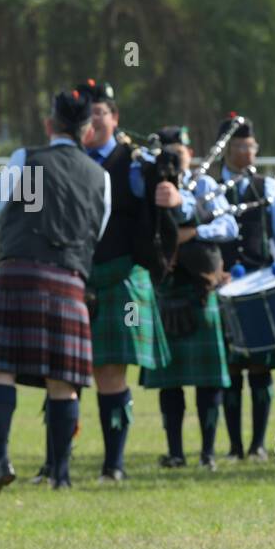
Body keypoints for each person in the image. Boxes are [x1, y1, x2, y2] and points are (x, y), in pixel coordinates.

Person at [0, 89, 113, 492]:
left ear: (49, 125)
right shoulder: (100, 176)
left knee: (2, 370)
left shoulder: (28, 160)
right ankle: (61, 474)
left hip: (20, 275)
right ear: (88, 131)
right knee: (63, 380)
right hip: (70, 280)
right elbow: (97, 232)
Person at [78, 78, 174, 482]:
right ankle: (55, 463)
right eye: (86, 114)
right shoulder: (68, 161)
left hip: (121, 279)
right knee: (62, 372)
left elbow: (164, 209)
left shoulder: (135, 163)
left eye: (100, 113)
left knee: (110, 372)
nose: (93, 121)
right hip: (74, 277)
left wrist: (174, 196)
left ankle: (113, 464)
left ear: (115, 119)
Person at [138, 125, 238, 469]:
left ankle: (208, 453)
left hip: (200, 288)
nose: (172, 157)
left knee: (208, 380)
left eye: (177, 151)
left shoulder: (206, 185)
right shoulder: (149, 184)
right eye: (165, 151)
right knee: (170, 380)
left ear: (190, 153)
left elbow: (229, 227)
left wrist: (194, 230)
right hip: (166, 286)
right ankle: (176, 452)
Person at [212, 114, 275, 461]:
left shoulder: (269, 187)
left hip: (259, 285)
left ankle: (259, 444)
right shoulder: (206, 186)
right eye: (239, 147)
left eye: (251, 146)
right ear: (226, 150)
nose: (247, 153)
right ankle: (235, 447)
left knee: (260, 367)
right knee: (231, 369)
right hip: (221, 287)